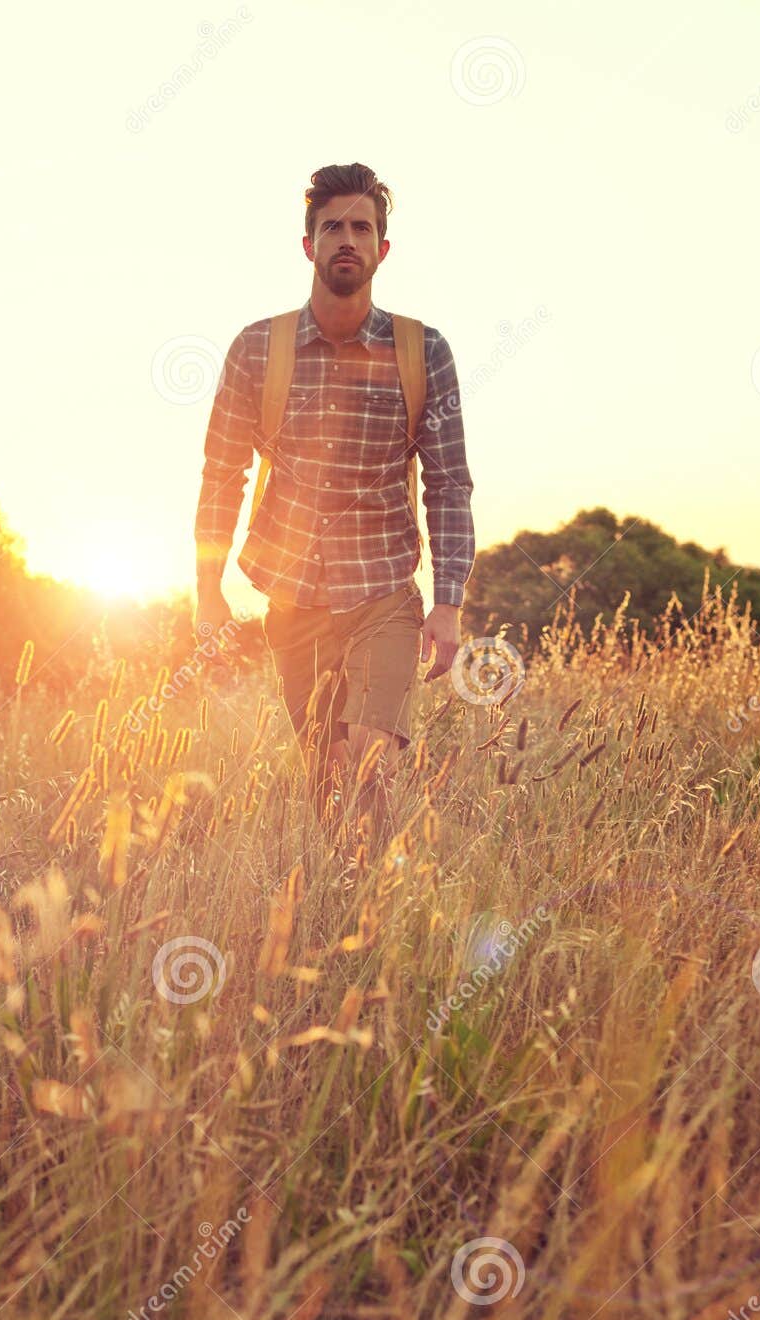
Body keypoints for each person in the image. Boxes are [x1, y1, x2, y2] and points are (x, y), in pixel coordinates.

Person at [193, 161, 475, 844]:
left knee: (369, 760)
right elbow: (221, 472)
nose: (346, 238)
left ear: (382, 248)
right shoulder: (258, 349)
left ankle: (369, 909)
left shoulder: (423, 350)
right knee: (326, 775)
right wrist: (207, 589)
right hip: (292, 600)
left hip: (383, 595)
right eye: (331, 227)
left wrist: (447, 601)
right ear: (308, 245)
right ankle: (338, 913)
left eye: (361, 227)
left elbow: (448, 481)